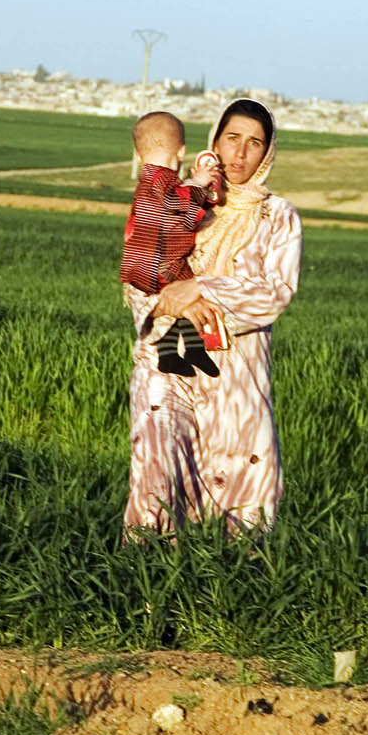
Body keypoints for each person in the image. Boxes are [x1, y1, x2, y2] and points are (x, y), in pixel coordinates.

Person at [123, 99, 302, 538]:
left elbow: (274, 292)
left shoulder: (278, 216)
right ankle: (142, 587)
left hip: (236, 374)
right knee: (155, 474)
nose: (240, 154)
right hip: (166, 363)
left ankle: (231, 593)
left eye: (255, 144)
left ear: (268, 154)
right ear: (214, 142)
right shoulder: (180, 199)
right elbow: (138, 267)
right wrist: (177, 302)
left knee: (244, 491)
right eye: (232, 139)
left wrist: (203, 288)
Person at [119, 111, 222, 377]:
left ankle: (180, 352)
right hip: (162, 262)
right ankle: (190, 349)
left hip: (147, 262)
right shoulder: (161, 179)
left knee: (177, 309)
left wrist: (194, 189)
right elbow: (177, 206)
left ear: (137, 156)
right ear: (181, 152)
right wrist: (199, 183)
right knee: (188, 298)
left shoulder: (149, 181)